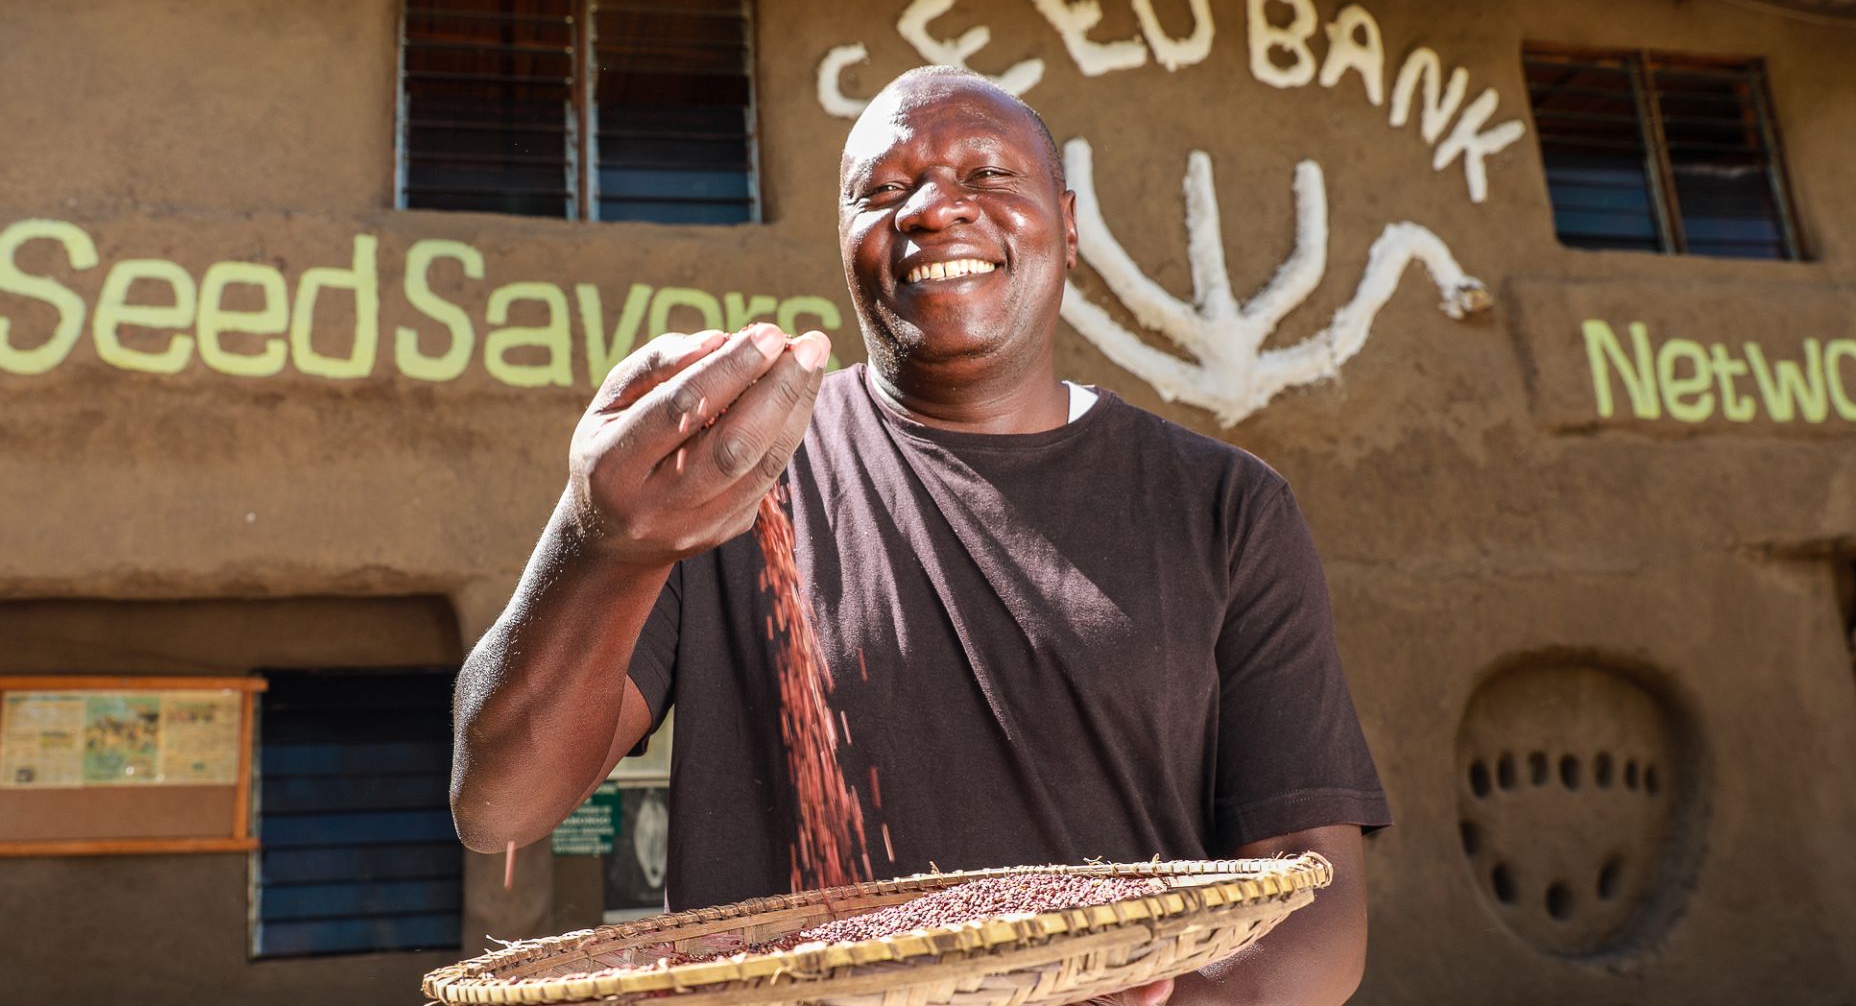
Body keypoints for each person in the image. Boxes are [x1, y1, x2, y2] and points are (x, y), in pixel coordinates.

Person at [452, 66, 1390, 1005]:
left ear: (1066, 224)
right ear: (845, 241)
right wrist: (601, 540)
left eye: (987, 177)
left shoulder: (1224, 505)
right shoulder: (727, 481)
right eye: (885, 190)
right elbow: (502, 804)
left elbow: (1313, 891)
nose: (935, 210)